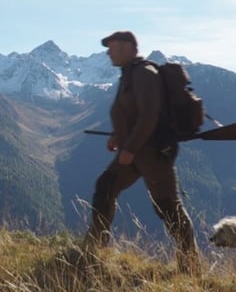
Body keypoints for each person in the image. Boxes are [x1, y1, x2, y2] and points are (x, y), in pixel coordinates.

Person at [84, 30, 202, 276]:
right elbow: (133, 113)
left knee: (167, 205)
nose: (107, 52)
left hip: (152, 152)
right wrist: (119, 135)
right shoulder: (130, 73)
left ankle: (189, 266)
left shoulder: (143, 74)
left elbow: (149, 116)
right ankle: (93, 249)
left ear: (128, 47)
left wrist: (130, 148)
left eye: (112, 47)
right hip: (137, 151)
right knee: (106, 186)